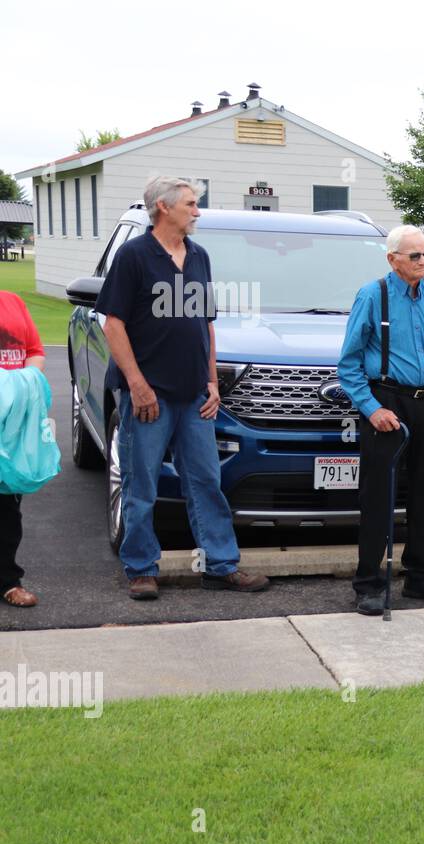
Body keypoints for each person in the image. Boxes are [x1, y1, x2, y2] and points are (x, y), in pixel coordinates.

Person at [96, 176, 269, 600]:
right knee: (142, 485)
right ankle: (140, 568)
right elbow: (113, 323)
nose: (197, 211)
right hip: (148, 396)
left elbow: (205, 324)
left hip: (194, 396)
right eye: (191, 204)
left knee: (206, 482)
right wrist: (136, 385)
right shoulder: (134, 256)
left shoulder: (199, 257)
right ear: (163, 208)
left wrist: (211, 382)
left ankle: (221, 565)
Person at [338, 225, 424, 616]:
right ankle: (369, 583)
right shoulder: (372, 296)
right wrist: (372, 409)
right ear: (393, 259)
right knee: (378, 497)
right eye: (415, 256)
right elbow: (349, 363)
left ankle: (423, 577)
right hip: (386, 402)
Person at [0, 289, 48, 607]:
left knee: (8, 507)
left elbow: (35, 351)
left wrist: (24, 384)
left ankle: (8, 581)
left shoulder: (12, 301)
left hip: (12, 422)